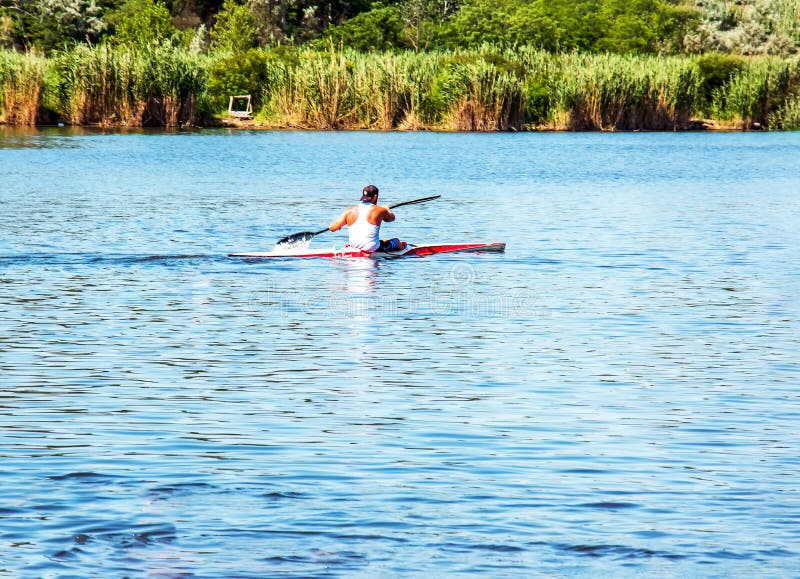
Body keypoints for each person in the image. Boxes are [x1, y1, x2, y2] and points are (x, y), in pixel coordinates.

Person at [329, 185, 406, 252]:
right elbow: (391, 218)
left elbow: (332, 228)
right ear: (375, 197)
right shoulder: (380, 210)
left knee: (383, 241)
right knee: (397, 241)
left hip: (353, 246)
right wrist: (387, 209)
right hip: (371, 248)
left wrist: (342, 224)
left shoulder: (349, 210)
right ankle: (402, 253)